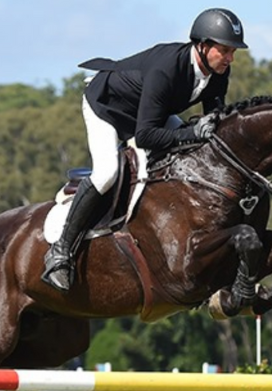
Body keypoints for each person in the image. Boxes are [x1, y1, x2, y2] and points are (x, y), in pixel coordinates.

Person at [42, 8, 249, 291]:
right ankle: (60, 252)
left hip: (150, 112)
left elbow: (214, 120)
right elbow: (146, 135)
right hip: (108, 107)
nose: (229, 58)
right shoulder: (167, 68)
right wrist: (190, 133)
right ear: (202, 46)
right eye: (224, 50)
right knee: (107, 173)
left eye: (232, 52)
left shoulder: (219, 71)